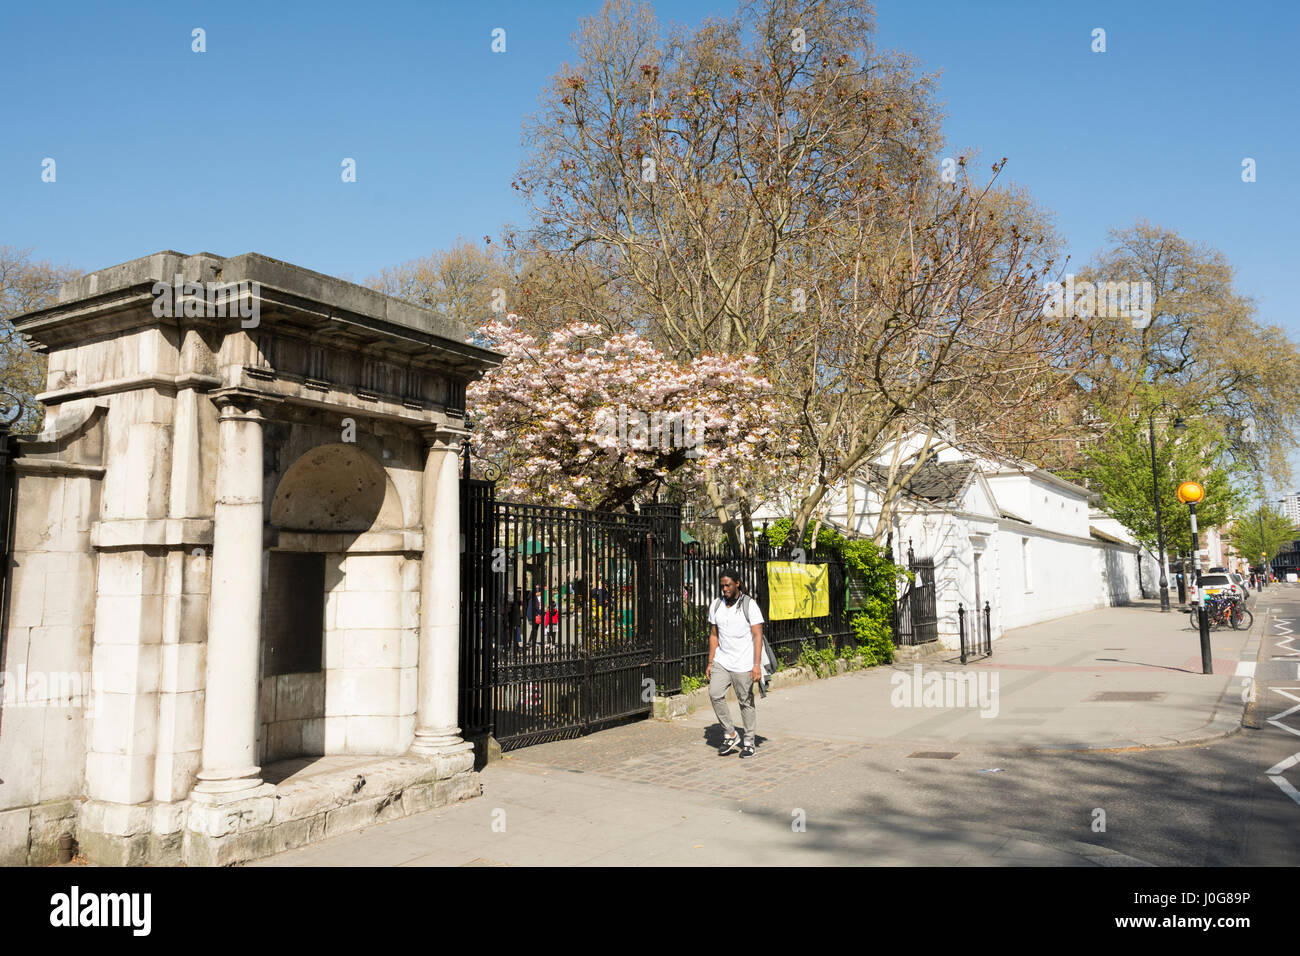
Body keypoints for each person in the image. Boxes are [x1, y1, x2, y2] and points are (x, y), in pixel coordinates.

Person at [707, 568, 765, 758]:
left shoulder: (749, 605)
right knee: (715, 693)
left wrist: (756, 665)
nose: (725, 589)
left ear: (737, 583)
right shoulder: (716, 604)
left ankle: (749, 742)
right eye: (722, 586)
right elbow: (714, 635)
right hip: (722, 660)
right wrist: (710, 662)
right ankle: (731, 734)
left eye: (728, 585)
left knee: (745, 702)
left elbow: (757, 636)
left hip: (744, 663)